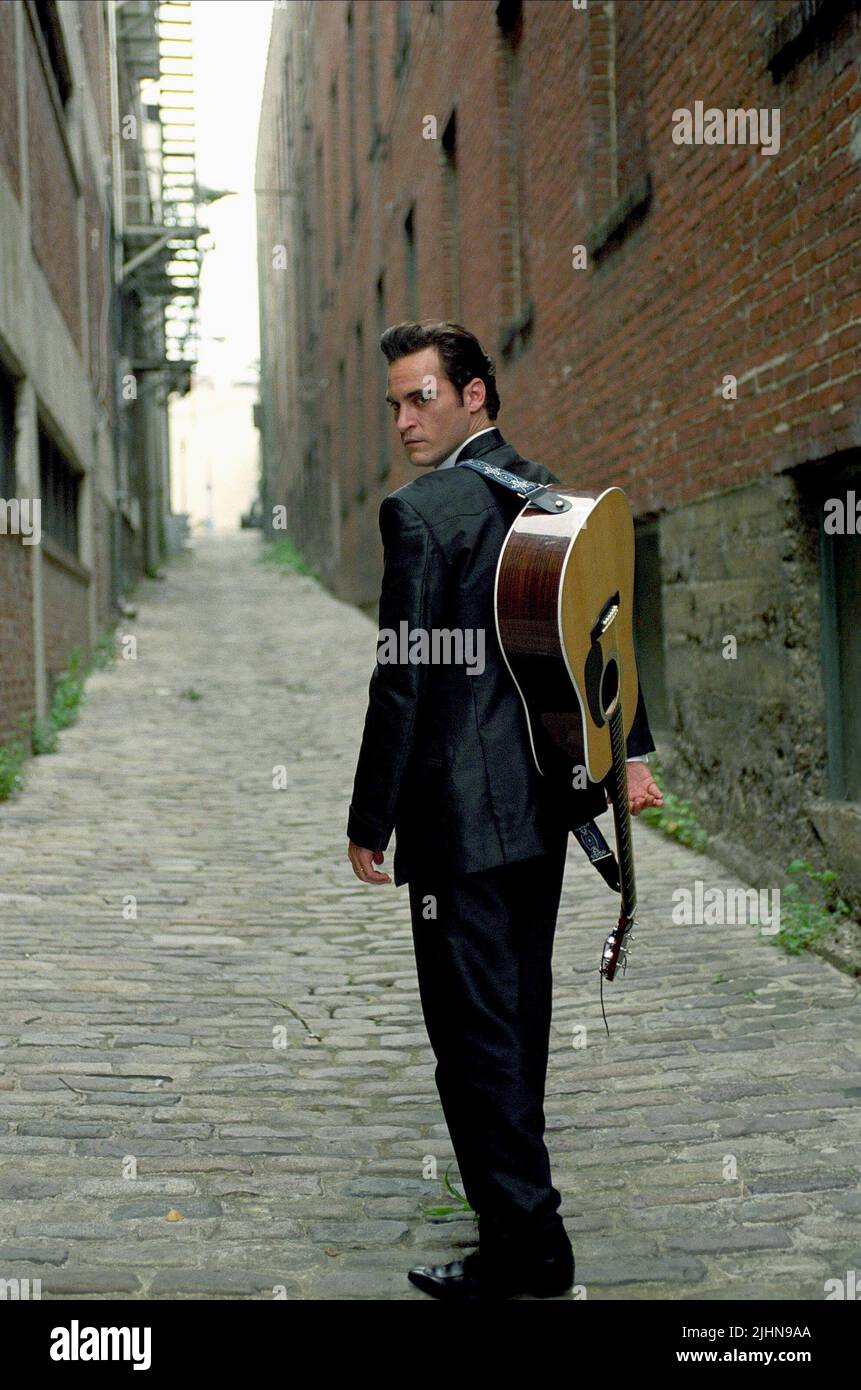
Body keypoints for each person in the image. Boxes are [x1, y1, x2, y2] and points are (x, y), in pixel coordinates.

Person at [347, 320, 664, 1301]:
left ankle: (529, 1248)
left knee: (473, 1040)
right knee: (516, 1020)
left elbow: (400, 681)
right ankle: (525, 1225)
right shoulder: (554, 495)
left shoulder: (423, 513)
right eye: (396, 402)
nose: (404, 419)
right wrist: (630, 757)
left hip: (456, 827)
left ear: (474, 394)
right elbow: (604, 621)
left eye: (421, 397)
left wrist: (371, 818)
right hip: (543, 815)